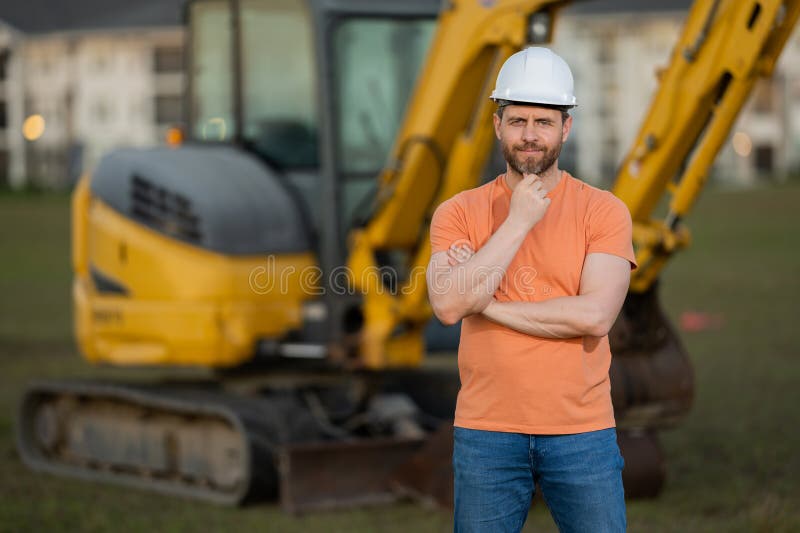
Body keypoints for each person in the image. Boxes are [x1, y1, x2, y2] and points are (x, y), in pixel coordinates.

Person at [426, 47, 637, 532]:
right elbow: (449, 305)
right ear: (498, 125)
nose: (529, 136)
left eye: (543, 122)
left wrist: (488, 302)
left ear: (566, 127)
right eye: (517, 120)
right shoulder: (459, 212)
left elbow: (594, 317)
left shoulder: (603, 212)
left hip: (581, 432)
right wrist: (517, 222)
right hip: (486, 432)